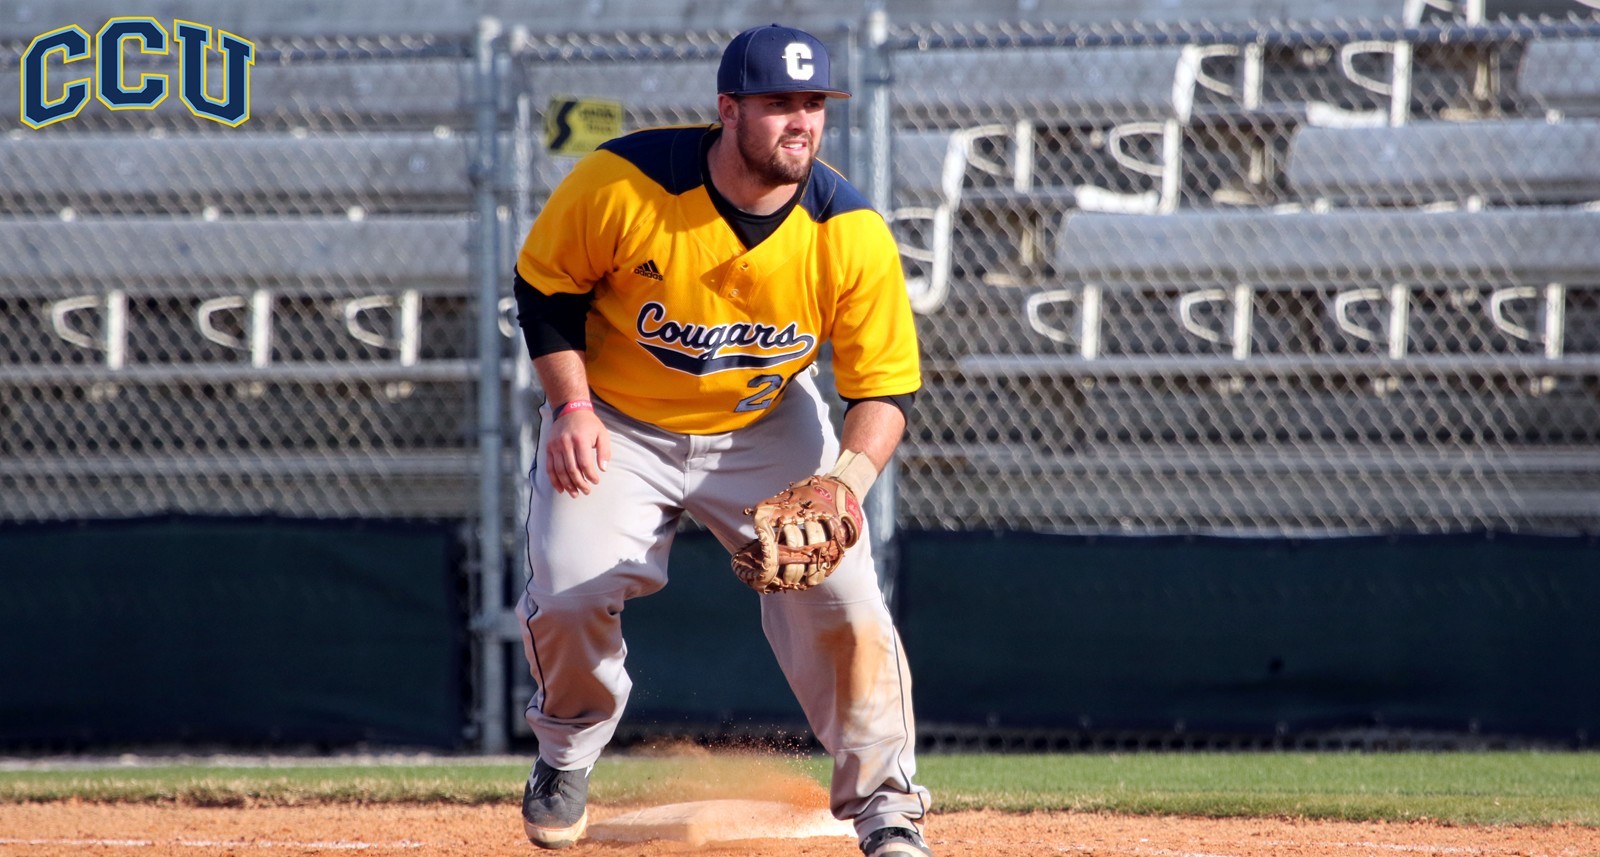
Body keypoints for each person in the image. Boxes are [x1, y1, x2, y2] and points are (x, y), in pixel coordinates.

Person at [509, 23, 933, 857]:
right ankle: (564, 753)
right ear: (728, 109)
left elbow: (883, 388)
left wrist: (844, 481)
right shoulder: (625, 183)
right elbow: (544, 289)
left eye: (813, 103)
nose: (801, 121)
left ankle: (887, 804)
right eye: (779, 103)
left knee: (846, 604)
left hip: (765, 425)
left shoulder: (846, 229)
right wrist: (572, 408)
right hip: (619, 422)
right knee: (565, 594)